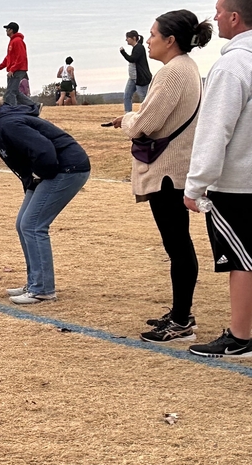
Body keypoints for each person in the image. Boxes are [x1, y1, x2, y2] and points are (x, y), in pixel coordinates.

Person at [108, 10, 213, 342]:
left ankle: (181, 321)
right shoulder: (189, 69)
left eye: (153, 34)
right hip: (178, 169)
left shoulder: (171, 73)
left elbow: (143, 125)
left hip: (167, 172)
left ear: (170, 40)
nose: (148, 40)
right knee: (178, 244)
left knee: (178, 246)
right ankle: (181, 313)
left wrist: (125, 119)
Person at [0, 81, 89, 304]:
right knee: (23, 223)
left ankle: (42, 289)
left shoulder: (7, 125)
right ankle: (35, 282)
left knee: (32, 225)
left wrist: (38, 177)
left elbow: (44, 153)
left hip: (68, 169)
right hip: (56, 170)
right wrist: (32, 181)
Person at [183, 0, 252, 358]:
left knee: (241, 260)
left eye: (220, 11)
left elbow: (214, 131)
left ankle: (241, 337)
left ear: (235, 17)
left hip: (239, 184)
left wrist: (195, 185)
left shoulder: (232, 65)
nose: (215, 18)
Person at [0, 21, 36, 107]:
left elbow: (21, 57)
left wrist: (13, 69)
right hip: (15, 69)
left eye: (7, 29)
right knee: (15, 92)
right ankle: (34, 106)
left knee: (10, 93)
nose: (6, 30)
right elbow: (9, 58)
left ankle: (12, 110)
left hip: (18, 70)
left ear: (12, 30)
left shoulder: (17, 41)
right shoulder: (12, 41)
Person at [121, 30, 153, 113]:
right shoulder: (137, 47)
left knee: (144, 98)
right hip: (132, 78)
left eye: (128, 38)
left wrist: (123, 52)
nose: (126, 40)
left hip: (140, 78)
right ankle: (127, 115)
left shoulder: (139, 48)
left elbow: (132, 59)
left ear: (134, 38)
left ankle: (149, 114)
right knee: (127, 96)